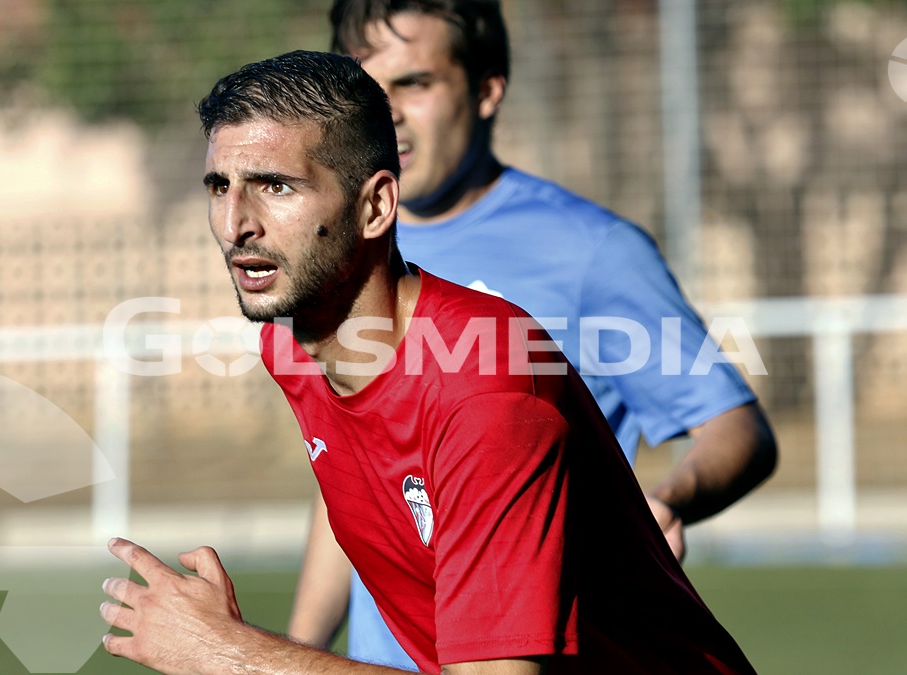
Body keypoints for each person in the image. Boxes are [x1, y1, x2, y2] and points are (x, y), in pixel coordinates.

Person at [100, 49, 756, 674]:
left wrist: (232, 653)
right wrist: (284, 646)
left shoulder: (487, 393)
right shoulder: (292, 338)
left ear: (376, 205)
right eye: (221, 185)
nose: (236, 221)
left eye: (275, 185)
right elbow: (364, 477)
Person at [286, 1, 778, 670]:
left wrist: (665, 501)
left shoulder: (590, 251)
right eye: (368, 88)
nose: (389, 112)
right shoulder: (333, 252)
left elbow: (734, 427)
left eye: (415, 83)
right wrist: (297, 649)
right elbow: (354, 475)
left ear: (488, 88)